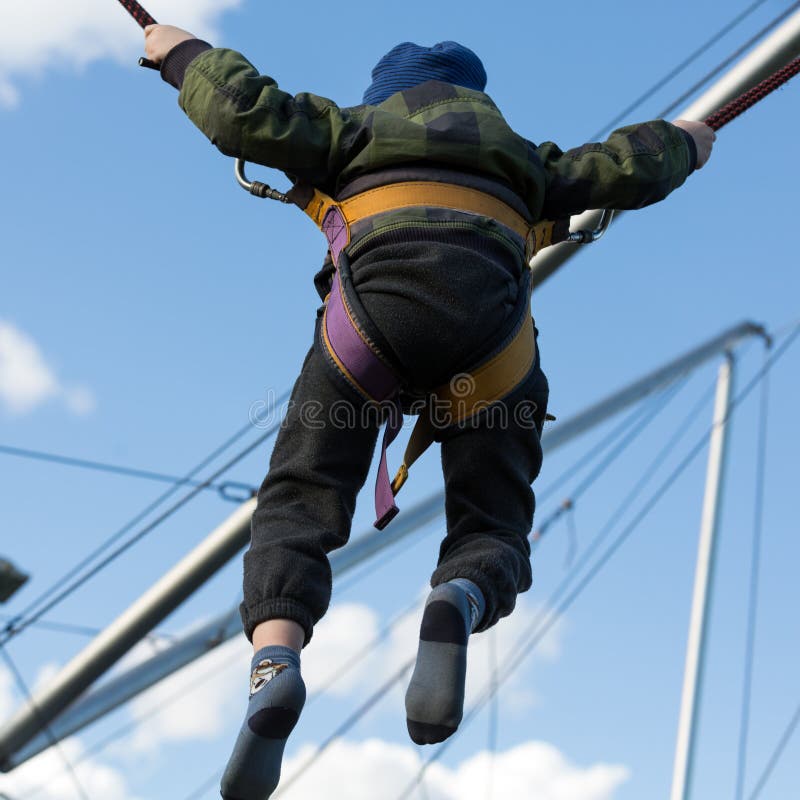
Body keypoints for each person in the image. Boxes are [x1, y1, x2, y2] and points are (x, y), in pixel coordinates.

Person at [143, 24, 715, 800]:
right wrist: (685, 140)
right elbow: (626, 164)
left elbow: (244, 111)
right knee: (492, 518)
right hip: (492, 354)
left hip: (368, 337)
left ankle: (276, 659)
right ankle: (460, 594)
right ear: (478, 102)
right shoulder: (528, 162)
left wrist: (179, 53)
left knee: (299, 499)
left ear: (385, 97)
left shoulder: (347, 131)